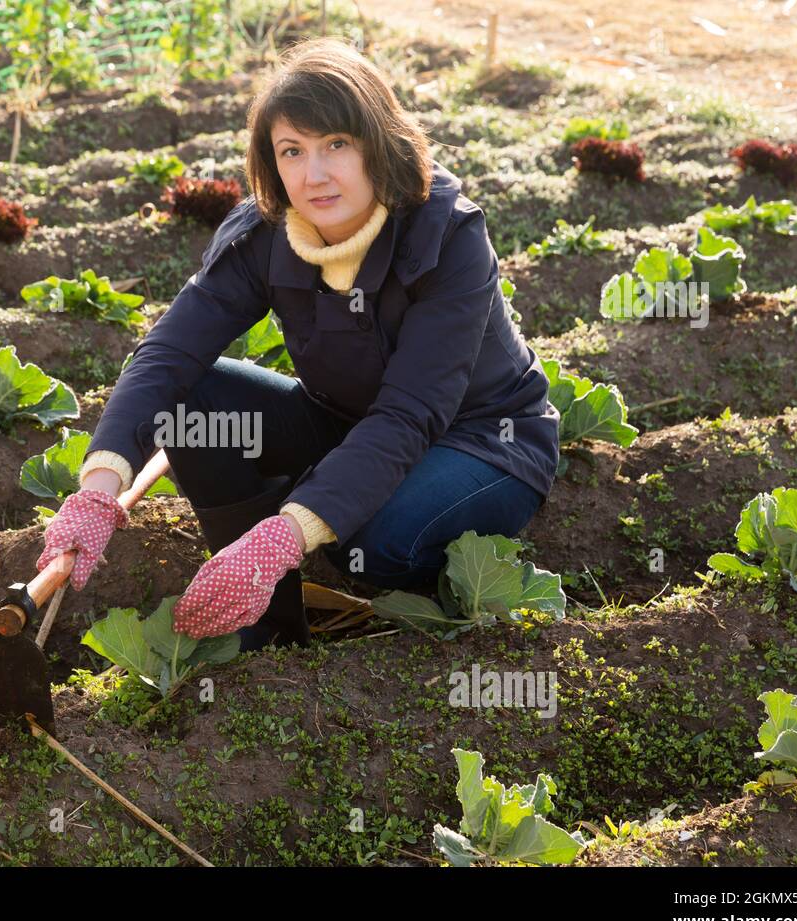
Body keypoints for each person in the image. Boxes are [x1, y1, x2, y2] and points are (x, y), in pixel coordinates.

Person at [35, 37, 560, 651]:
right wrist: (98, 486)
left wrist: (283, 534)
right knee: (192, 405)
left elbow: (411, 413)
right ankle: (270, 632)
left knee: (370, 546)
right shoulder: (265, 233)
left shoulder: (446, 236)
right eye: (293, 151)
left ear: (379, 144)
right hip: (343, 422)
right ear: (272, 163)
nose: (315, 174)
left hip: (481, 439)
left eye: (337, 144)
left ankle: (319, 535)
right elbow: (169, 353)